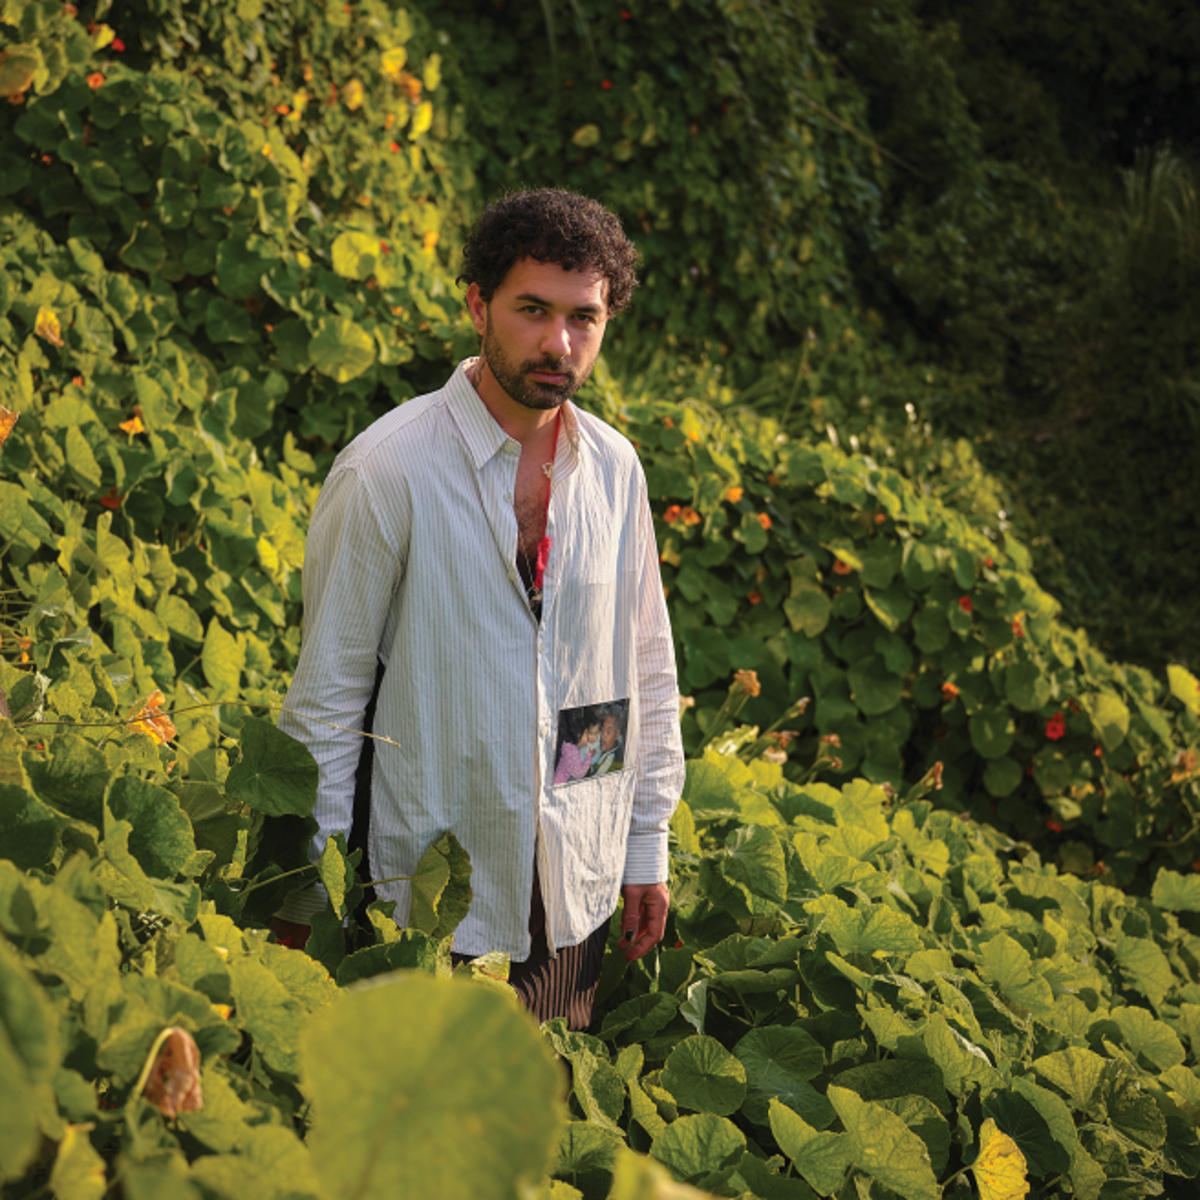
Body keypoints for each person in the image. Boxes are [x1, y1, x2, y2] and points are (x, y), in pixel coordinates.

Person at [272, 188, 685, 1030]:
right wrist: (300, 904)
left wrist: (644, 846)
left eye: (583, 318)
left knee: (536, 1139)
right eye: (532, 309)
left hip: (573, 885)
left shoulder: (615, 471)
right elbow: (327, 703)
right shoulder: (388, 470)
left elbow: (640, 665)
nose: (558, 343)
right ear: (477, 305)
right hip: (428, 895)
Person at [588, 709, 624, 777]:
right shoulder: (601, 744)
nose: (603, 735)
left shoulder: (611, 760)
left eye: (608, 732)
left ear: (617, 734)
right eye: (603, 729)